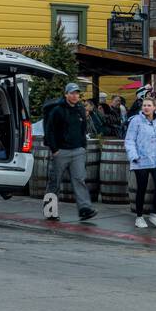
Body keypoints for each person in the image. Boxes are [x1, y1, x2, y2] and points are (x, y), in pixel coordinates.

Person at [44, 83, 96, 221]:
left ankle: (85, 209)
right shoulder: (57, 110)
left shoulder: (79, 109)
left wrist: (83, 146)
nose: (74, 96)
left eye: (77, 93)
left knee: (79, 179)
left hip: (78, 150)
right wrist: (55, 150)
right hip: (61, 152)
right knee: (55, 181)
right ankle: (50, 211)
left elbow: (83, 128)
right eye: (71, 93)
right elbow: (49, 131)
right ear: (66, 94)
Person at [125, 96, 156, 229]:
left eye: (149, 105)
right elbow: (129, 140)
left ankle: (154, 213)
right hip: (141, 160)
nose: (146, 107)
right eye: (144, 105)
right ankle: (139, 217)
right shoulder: (136, 121)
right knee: (141, 188)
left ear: (154, 107)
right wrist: (134, 156)